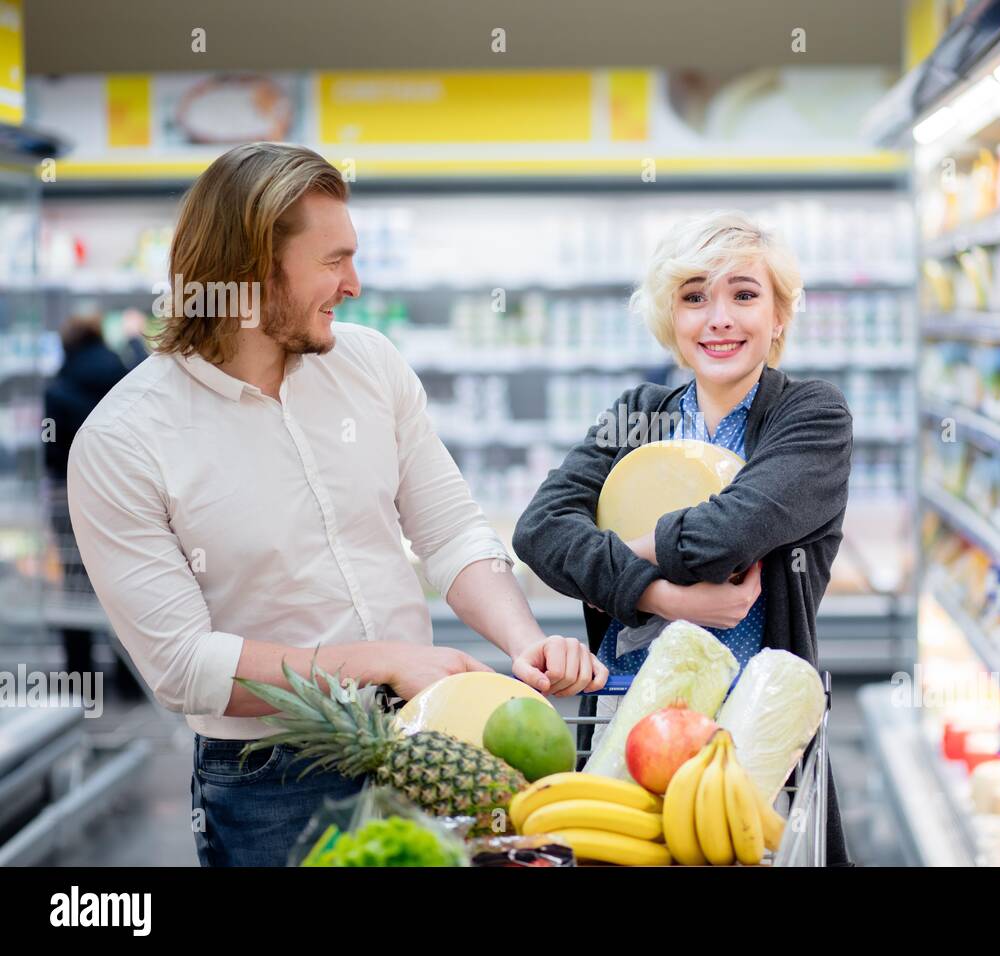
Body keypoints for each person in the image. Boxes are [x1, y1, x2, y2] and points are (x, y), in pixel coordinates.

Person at [66, 142, 607, 867]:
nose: (353, 283)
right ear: (254, 270)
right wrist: (382, 660)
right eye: (333, 261)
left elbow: (448, 530)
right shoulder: (123, 442)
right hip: (271, 787)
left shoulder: (370, 365)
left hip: (426, 742)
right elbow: (186, 667)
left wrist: (521, 639)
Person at [513, 211, 856, 866]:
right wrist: (666, 599)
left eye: (744, 294)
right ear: (671, 318)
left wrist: (624, 551)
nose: (718, 317)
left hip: (753, 729)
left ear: (780, 314)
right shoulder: (639, 414)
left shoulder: (810, 415)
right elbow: (539, 531)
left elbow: (728, 533)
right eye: (694, 296)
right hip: (628, 713)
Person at [44, 311, 128, 679]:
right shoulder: (125, 376)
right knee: (127, 585)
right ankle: (130, 678)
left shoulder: (58, 390)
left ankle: (80, 676)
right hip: (123, 498)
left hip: (72, 503)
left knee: (76, 591)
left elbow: (51, 454)